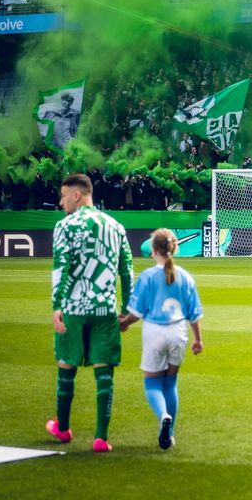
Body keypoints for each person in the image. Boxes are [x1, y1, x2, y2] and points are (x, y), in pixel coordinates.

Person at [46, 173, 134, 453]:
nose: (60, 203)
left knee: (66, 366)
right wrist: (127, 309)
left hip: (73, 307)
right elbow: (127, 270)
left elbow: (62, 264)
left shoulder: (65, 226)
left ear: (76, 195)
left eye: (63, 196)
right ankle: (100, 437)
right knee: (104, 371)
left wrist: (56, 305)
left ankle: (62, 428)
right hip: (105, 308)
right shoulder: (115, 226)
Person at [120, 230, 204, 450]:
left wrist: (124, 323)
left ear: (153, 250)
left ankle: (163, 416)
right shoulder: (185, 276)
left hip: (155, 331)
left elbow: (136, 312)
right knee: (170, 384)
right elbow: (194, 313)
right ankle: (170, 432)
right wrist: (198, 340)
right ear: (174, 248)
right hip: (178, 332)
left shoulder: (148, 276)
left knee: (152, 383)